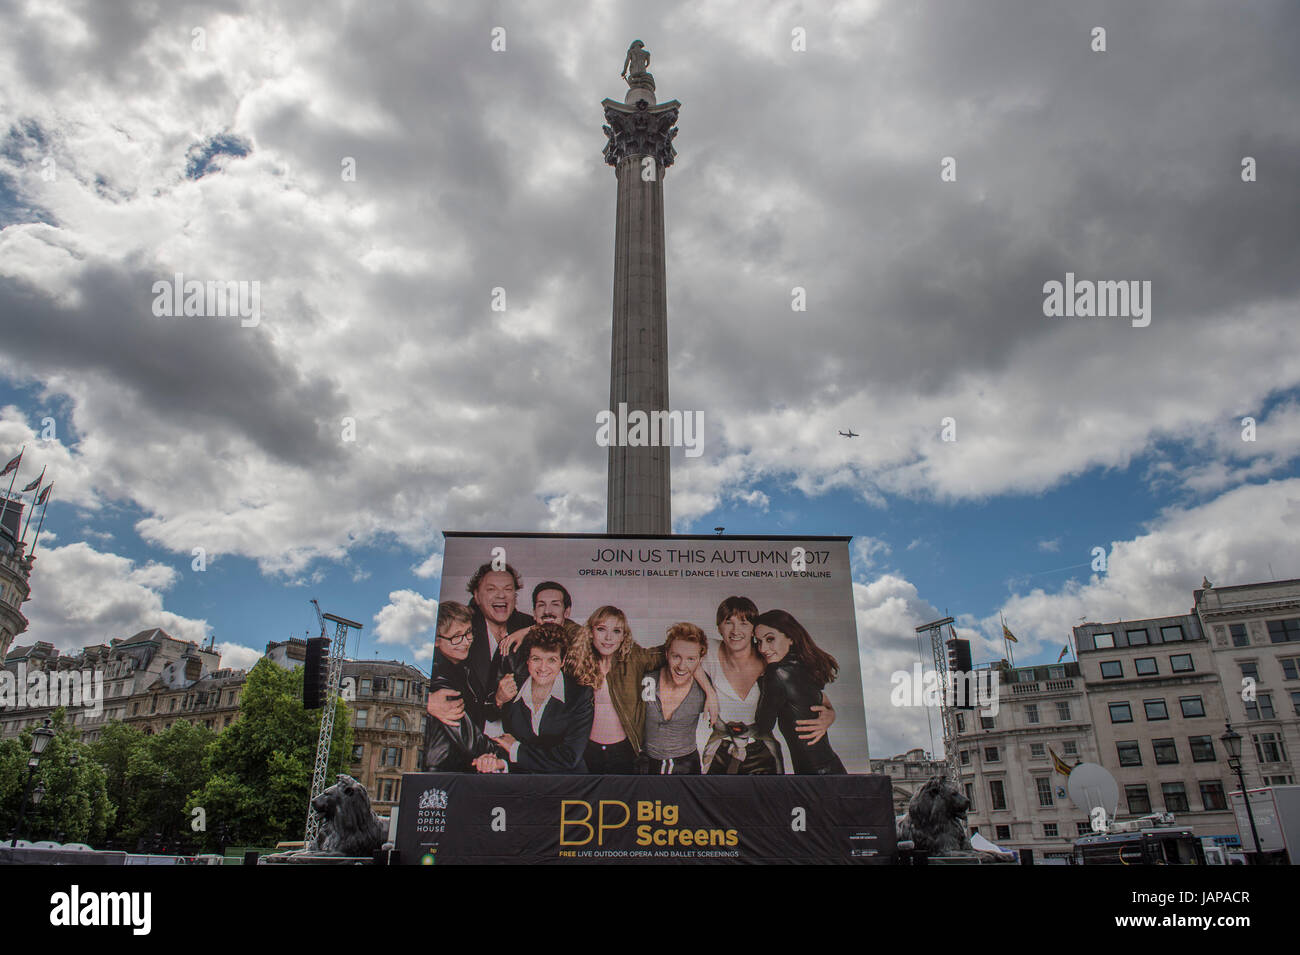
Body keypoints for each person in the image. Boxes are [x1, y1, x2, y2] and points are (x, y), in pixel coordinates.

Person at [566, 607, 717, 773]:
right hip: (587, 749)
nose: (608, 637)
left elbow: (683, 654)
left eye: (616, 631)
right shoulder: (579, 659)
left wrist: (710, 692)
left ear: (624, 636)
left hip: (624, 750)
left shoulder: (634, 660)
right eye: (601, 629)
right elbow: (564, 626)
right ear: (590, 631)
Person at [702, 596, 837, 774]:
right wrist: (708, 691)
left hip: (762, 754)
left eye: (744, 623)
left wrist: (830, 715)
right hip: (720, 750)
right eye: (728, 622)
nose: (735, 630)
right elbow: (674, 651)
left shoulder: (772, 663)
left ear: (753, 630)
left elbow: (820, 700)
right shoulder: (707, 649)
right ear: (718, 627)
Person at [427, 561, 533, 735]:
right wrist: (428, 700)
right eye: (491, 589)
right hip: (472, 737)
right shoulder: (461, 625)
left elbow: (569, 632)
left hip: (519, 740)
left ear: (515, 595)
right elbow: (433, 660)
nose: (501, 595)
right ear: (476, 596)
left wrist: (532, 630)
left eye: (508, 589)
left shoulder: (527, 623)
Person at [472, 623, 594, 774]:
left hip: (568, 785)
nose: (543, 668)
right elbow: (492, 721)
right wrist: (496, 762)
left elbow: (569, 757)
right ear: (527, 660)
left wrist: (516, 749)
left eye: (551, 660)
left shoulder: (580, 695)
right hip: (525, 783)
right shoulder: (512, 686)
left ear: (562, 662)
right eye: (536, 659)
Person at [752, 609, 846, 775]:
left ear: (790, 637)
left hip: (816, 775)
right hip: (831, 767)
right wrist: (830, 713)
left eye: (770, 639)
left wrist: (760, 676)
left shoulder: (776, 673)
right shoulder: (801, 665)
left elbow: (763, 727)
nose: (763, 648)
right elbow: (822, 700)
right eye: (758, 641)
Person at [423, 601, 507, 772]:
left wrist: (497, 700)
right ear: (436, 641)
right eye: (456, 637)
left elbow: (476, 712)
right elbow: (469, 740)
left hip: (458, 768)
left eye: (468, 632)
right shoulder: (439, 680)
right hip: (443, 773)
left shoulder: (463, 666)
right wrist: (507, 749)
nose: (466, 642)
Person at [640, 623, 712, 775]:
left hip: (686, 766)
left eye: (691, 659)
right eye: (676, 656)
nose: (681, 666)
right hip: (645, 764)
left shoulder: (703, 689)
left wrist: (712, 694)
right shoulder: (647, 680)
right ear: (666, 654)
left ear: (700, 660)